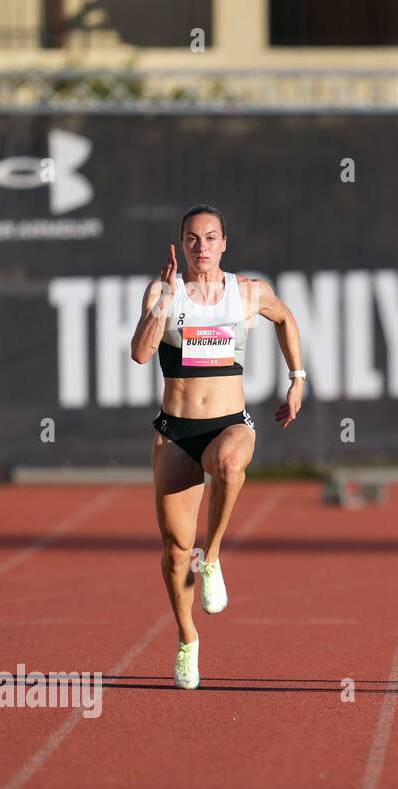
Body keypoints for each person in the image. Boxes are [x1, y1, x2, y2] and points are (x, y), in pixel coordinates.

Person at [130, 203, 306, 690]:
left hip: (230, 421)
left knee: (229, 463)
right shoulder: (163, 291)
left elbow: (285, 319)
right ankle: (187, 639)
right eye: (192, 238)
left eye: (210, 238)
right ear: (181, 244)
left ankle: (214, 557)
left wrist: (297, 378)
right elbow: (141, 352)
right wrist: (164, 301)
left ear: (224, 243)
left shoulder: (247, 292)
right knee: (172, 551)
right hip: (175, 431)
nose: (201, 247)